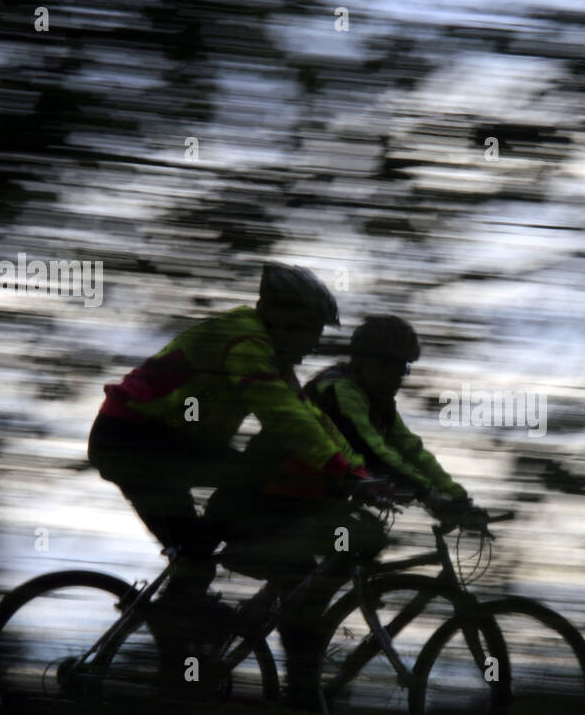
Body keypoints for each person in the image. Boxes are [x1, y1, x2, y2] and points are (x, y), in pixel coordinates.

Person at [87, 262, 381, 677]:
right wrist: (341, 471)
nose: (313, 345)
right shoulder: (243, 343)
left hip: (171, 444)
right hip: (132, 439)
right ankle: (180, 622)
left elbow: (311, 417)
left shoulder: (269, 357)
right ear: (282, 321)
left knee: (211, 531)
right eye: (310, 331)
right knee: (233, 497)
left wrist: (358, 472)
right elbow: (283, 416)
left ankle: (183, 638)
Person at [305, 314, 488, 533]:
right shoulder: (338, 392)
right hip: (287, 498)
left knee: (365, 537)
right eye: (387, 368)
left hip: (322, 501)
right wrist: (426, 492)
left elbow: (411, 451)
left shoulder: (379, 403)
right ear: (361, 362)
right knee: (360, 539)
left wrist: (458, 498)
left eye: (402, 369)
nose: (395, 378)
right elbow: (373, 451)